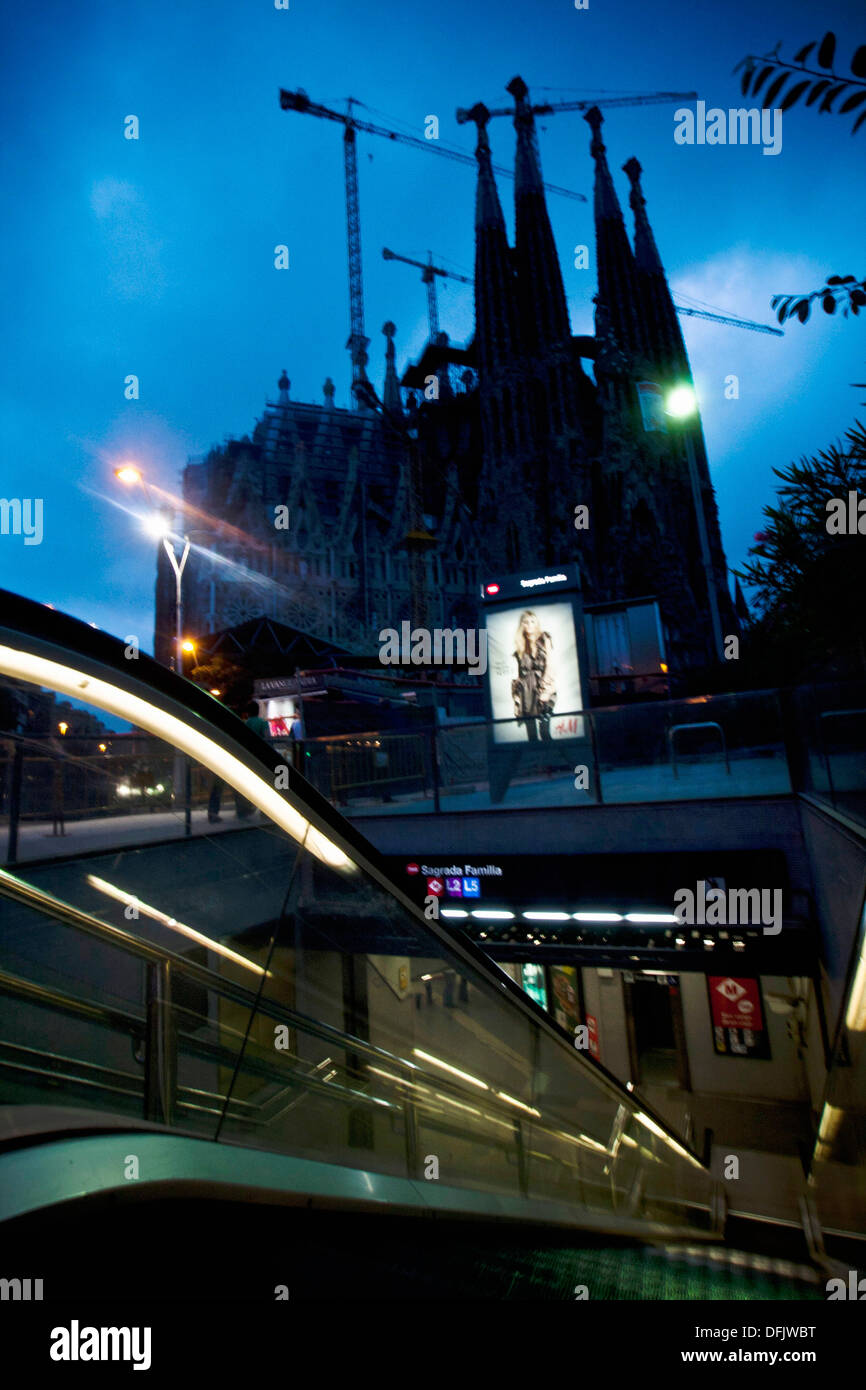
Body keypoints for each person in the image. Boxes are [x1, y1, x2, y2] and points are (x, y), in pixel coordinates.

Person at [511, 610, 556, 742]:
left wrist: (546, 689)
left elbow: (550, 664)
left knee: (545, 732)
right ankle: (537, 762)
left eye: (532, 621)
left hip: (543, 687)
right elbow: (519, 674)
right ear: (522, 625)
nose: (529, 624)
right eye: (526, 622)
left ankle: (557, 759)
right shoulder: (520, 645)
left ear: (536, 623)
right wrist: (517, 697)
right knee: (531, 735)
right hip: (526, 691)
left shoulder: (545, 638)